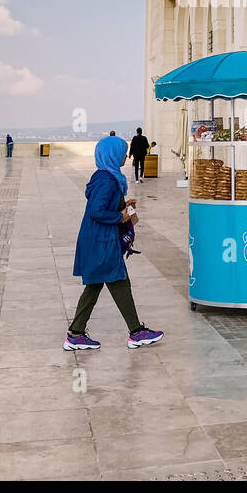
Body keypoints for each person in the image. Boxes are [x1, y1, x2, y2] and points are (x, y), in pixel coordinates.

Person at [63, 136, 163, 351]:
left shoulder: (105, 177)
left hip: (98, 239)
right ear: (112, 155)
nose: (126, 156)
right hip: (101, 241)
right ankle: (135, 332)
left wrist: (123, 205)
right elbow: (96, 211)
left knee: (97, 285)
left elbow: (103, 205)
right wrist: (121, 217)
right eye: (123, 152)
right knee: (118, 282)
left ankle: (76, 334)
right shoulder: (107, 180)